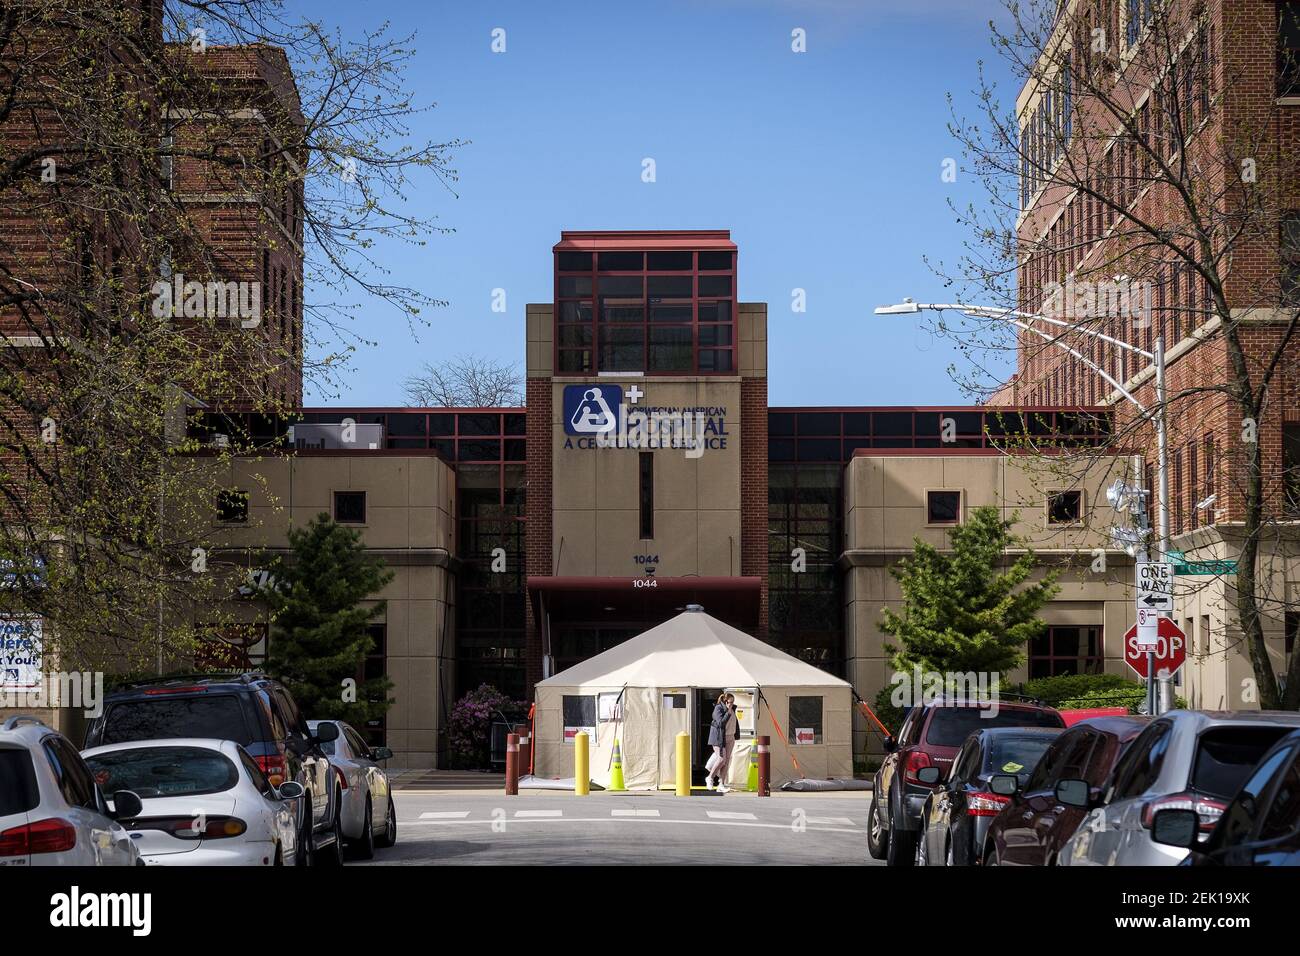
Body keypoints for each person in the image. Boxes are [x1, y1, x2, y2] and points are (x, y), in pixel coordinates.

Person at [706, 693, 738, 792]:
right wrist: (728, 711)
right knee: (721, 759)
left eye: (733, 702)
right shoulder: (718, 709)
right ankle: (710, 777)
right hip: (719, 737)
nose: (732, 704)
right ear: (725, 701)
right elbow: (720, 723)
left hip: (730, 737)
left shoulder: (733, 709)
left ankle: (721, 784)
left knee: (726, 761)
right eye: (730, 702)